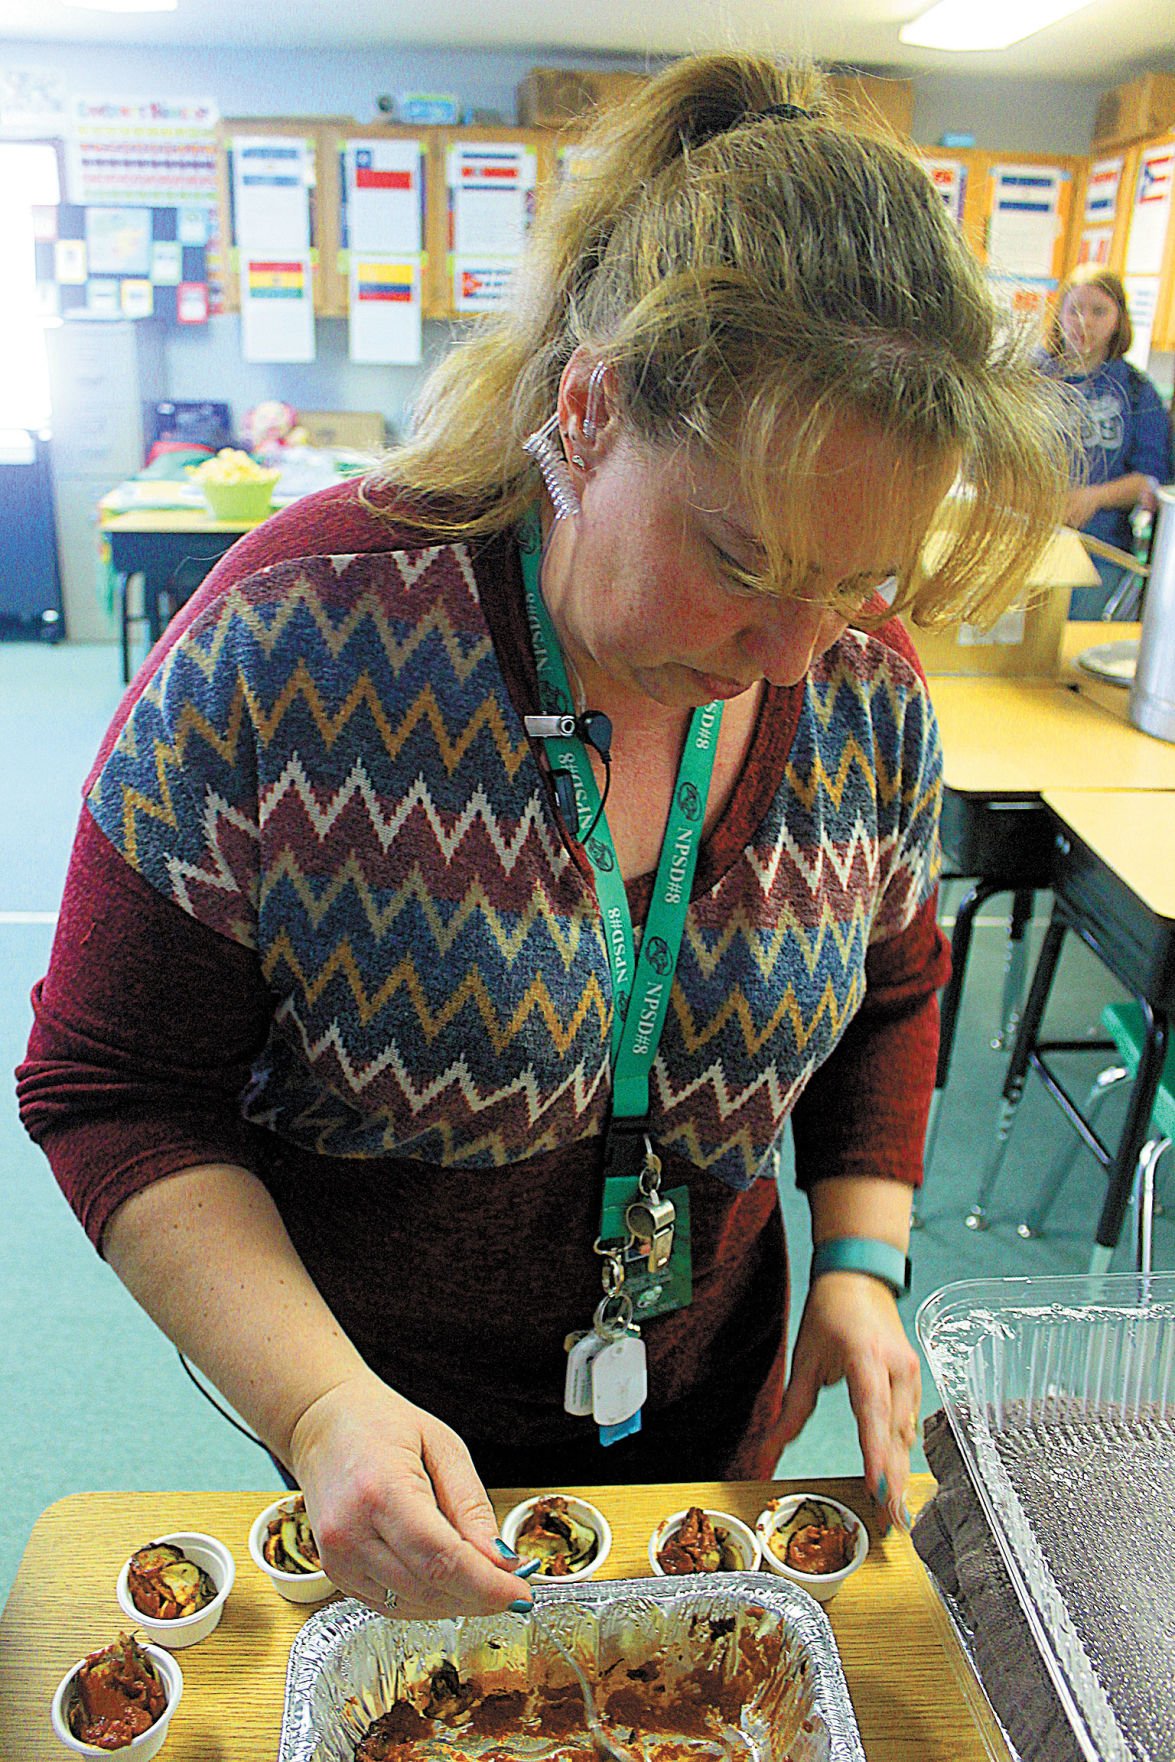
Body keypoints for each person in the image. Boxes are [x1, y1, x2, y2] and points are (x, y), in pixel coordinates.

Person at [18, 53, 1071, 1625]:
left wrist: (858, 1260)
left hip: (715, 1426)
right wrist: (318, 1410)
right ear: (582, 415)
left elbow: (893, 984)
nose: (797, 652)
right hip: (379, 1447)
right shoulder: (294, 644)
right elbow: (114, 1086)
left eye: (854, 580)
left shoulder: (855, 683)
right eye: (743, 557)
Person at [1043, 264, 1173, 618]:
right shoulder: (1030, 378)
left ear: (1119, 318)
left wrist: (1093, 497)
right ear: (1060, 314)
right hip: (1029, 549)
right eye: (1075, 309)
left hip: (1101, 554)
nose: (1084, 322)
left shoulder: (1137, 390)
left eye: (1099, 311)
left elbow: (1152, 479)